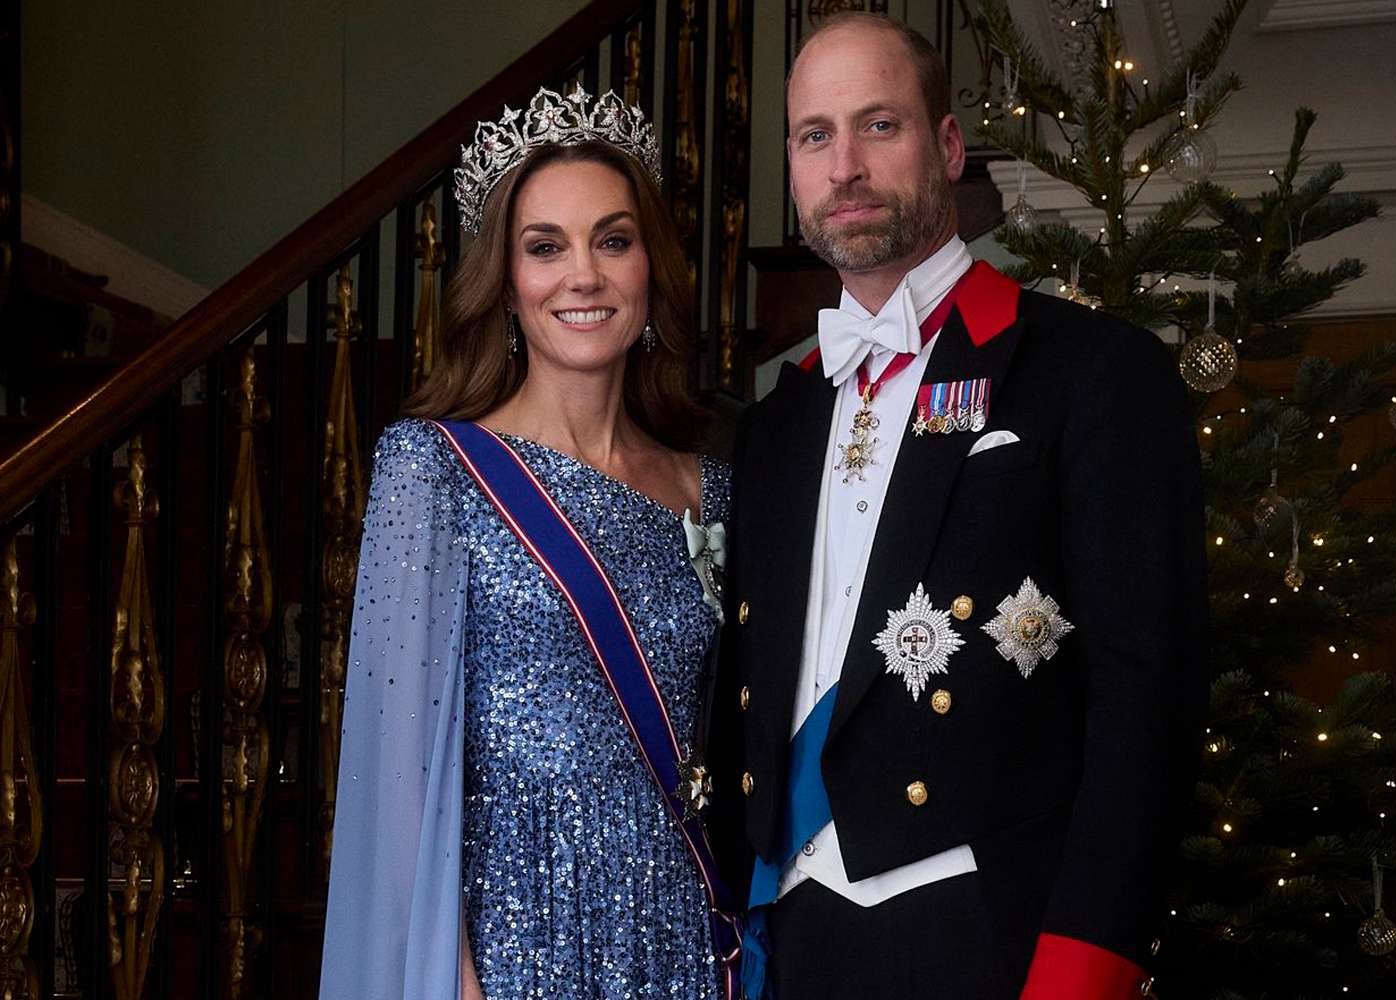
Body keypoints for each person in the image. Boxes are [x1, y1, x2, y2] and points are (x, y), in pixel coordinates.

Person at [706, 13, 1208, 1000]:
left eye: (878, 126)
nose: (843, 164)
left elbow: (1146, 699)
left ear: (945, 145)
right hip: (792, 940)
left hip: (989, 939)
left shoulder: (1091, 374)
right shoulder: (777, 421)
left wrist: (1084, 967)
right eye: (815, 136)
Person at [320, 87, 741, 1000]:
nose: (581, 275)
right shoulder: (433, 471)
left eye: (613, 240)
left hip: (679, 936)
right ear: (507, 283)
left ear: (648, 270)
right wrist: (454, 980)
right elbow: (397, 783)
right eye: (545, 247)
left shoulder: (712, 486)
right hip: (515, 945)